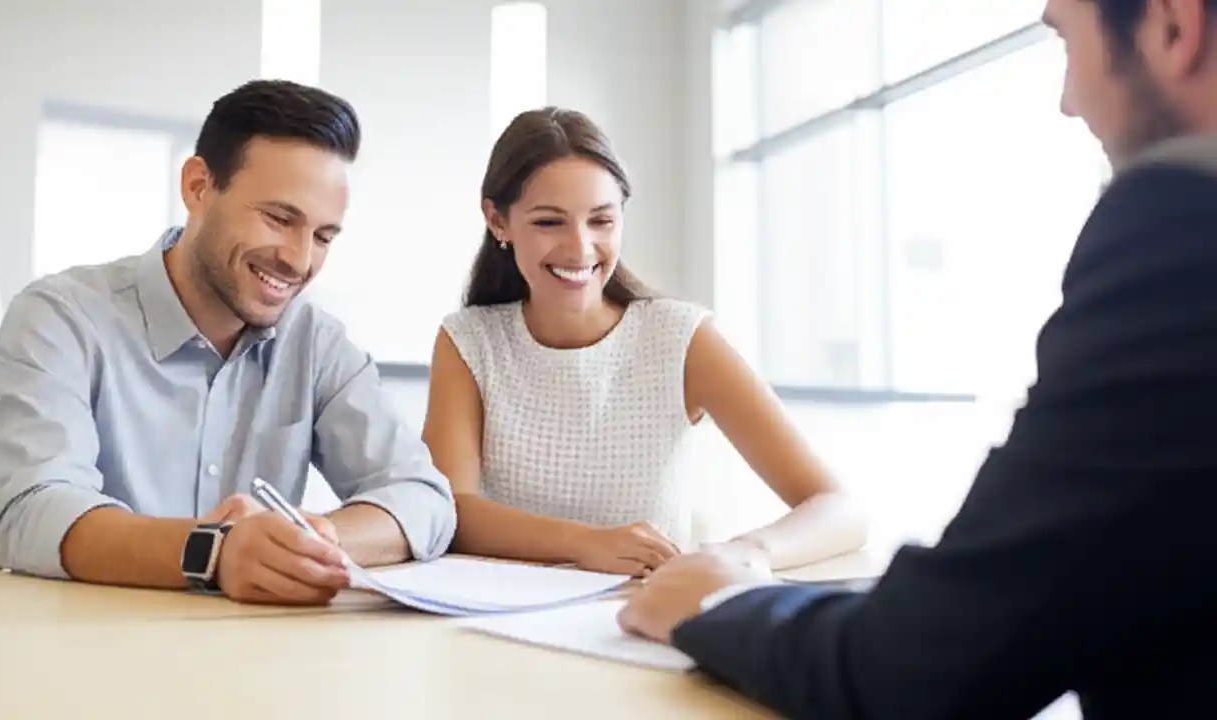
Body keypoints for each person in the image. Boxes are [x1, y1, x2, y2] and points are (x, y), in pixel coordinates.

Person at [617, 0, 1217, 717]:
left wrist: (717, 603)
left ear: (1173, 26)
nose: (1067, 101)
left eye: (1065, 40)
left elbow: (923, 668)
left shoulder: (1183, 239)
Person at [0, 80, 456, 605]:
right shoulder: (60, 318)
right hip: (88, 654)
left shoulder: (316, 344)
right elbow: (31, 511)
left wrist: (313, 541)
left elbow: (424, 498)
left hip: (252, 662)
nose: (299, 260)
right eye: (279, 218)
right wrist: (213, 553)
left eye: (323, 236)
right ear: (198, 186)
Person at [421, 107, 866, 578]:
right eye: (549, 222)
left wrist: (745, 552)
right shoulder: (469, 341)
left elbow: (839, 508)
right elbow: (450, 512)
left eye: (601, 221)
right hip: (498, 622)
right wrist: (585, 544)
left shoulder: (680, 338)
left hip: (640, 621)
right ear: (498, 221)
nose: (580, 247)